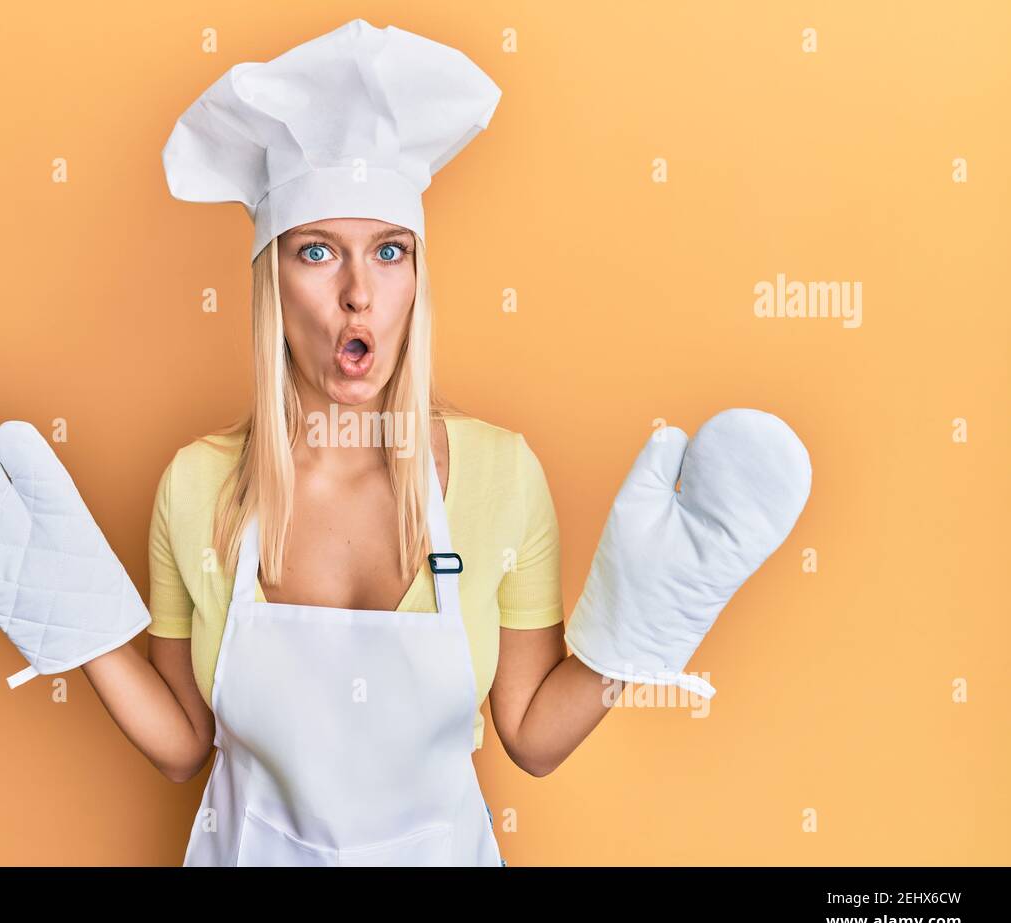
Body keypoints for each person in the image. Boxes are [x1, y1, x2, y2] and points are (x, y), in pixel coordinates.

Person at [79, 19, 626, 866]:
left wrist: (644, 632)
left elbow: (533, 736)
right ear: (271, 279)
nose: (358, 294)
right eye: (319, 250)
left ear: (417, 278)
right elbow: (185, 743)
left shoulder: (499, 476)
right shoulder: (197, 487)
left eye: (390, 252)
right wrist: (72, 617)